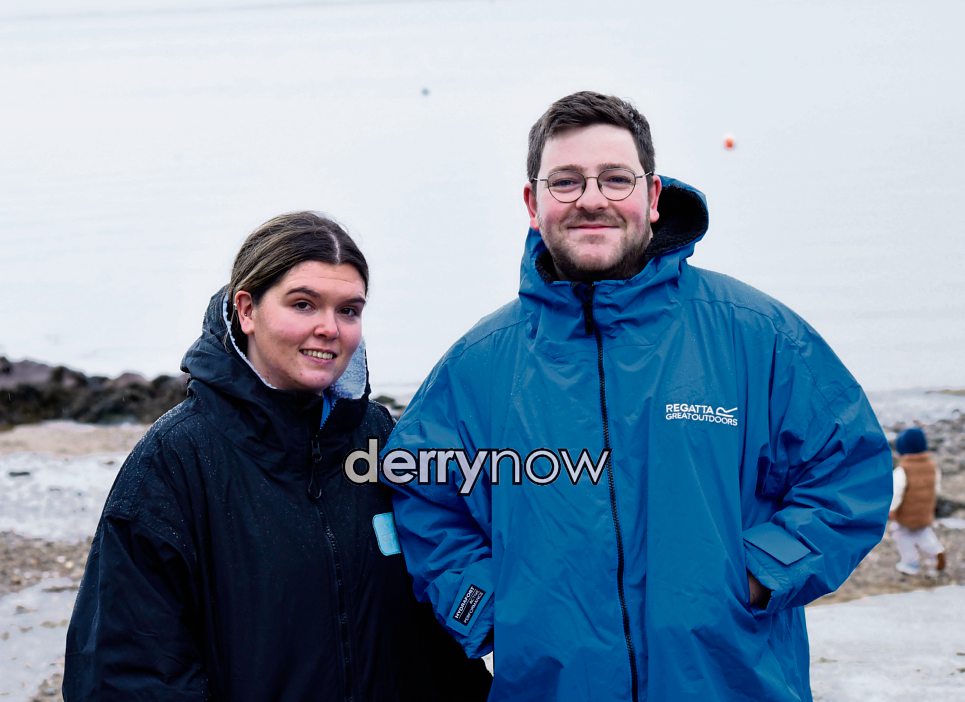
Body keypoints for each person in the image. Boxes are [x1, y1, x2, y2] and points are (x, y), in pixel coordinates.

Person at [382, 92, 893, 701]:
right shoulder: (479, 367)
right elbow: (421, 490)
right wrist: (487, 607)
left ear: (651, 198)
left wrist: (756, 575)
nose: (592, 198)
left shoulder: (756, 335)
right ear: (532, 202)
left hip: (730, 683)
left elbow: (849, 473)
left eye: (615, 179)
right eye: (566, 181)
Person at [63, 212, 492, 701]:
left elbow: (432, 623)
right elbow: (127, 671)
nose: (329, 328)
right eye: (303, 304)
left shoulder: (379, 439)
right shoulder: (174, 461)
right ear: (247, 310)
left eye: (349, 310)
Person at [890, 426, 946, 576]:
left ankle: (910, 564)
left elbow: (895, 493)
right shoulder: (932, 466)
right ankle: (937, 551)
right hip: (925, 511)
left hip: (906, 515)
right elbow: (936, 488)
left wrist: (891, 510)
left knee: (901, 535)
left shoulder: (903, 470)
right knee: (924, 533)